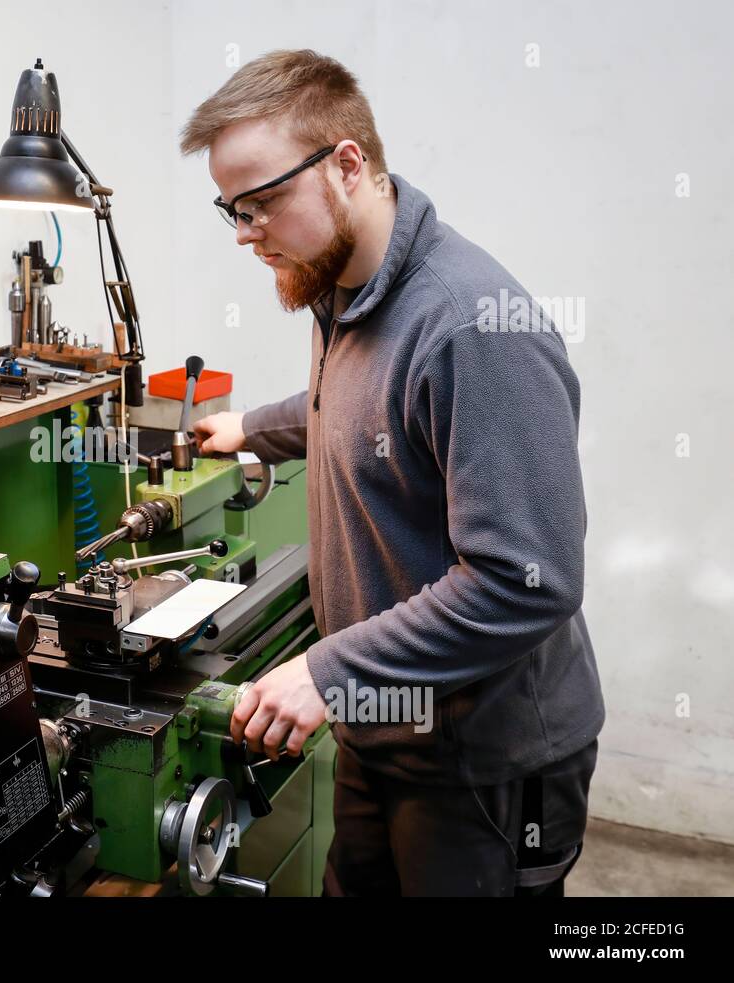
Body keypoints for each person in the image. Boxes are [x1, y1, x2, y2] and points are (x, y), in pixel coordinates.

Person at [180, 49, 604, 896]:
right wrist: (250, 429)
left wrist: (329, 671)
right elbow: (364, 409)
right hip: (383, 728)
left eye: (262, 203)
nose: (244, 233)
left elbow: (527, 581)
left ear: (346, 164)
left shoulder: (472, 329)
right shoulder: (338, 287)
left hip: (482, 765)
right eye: (231, 209)